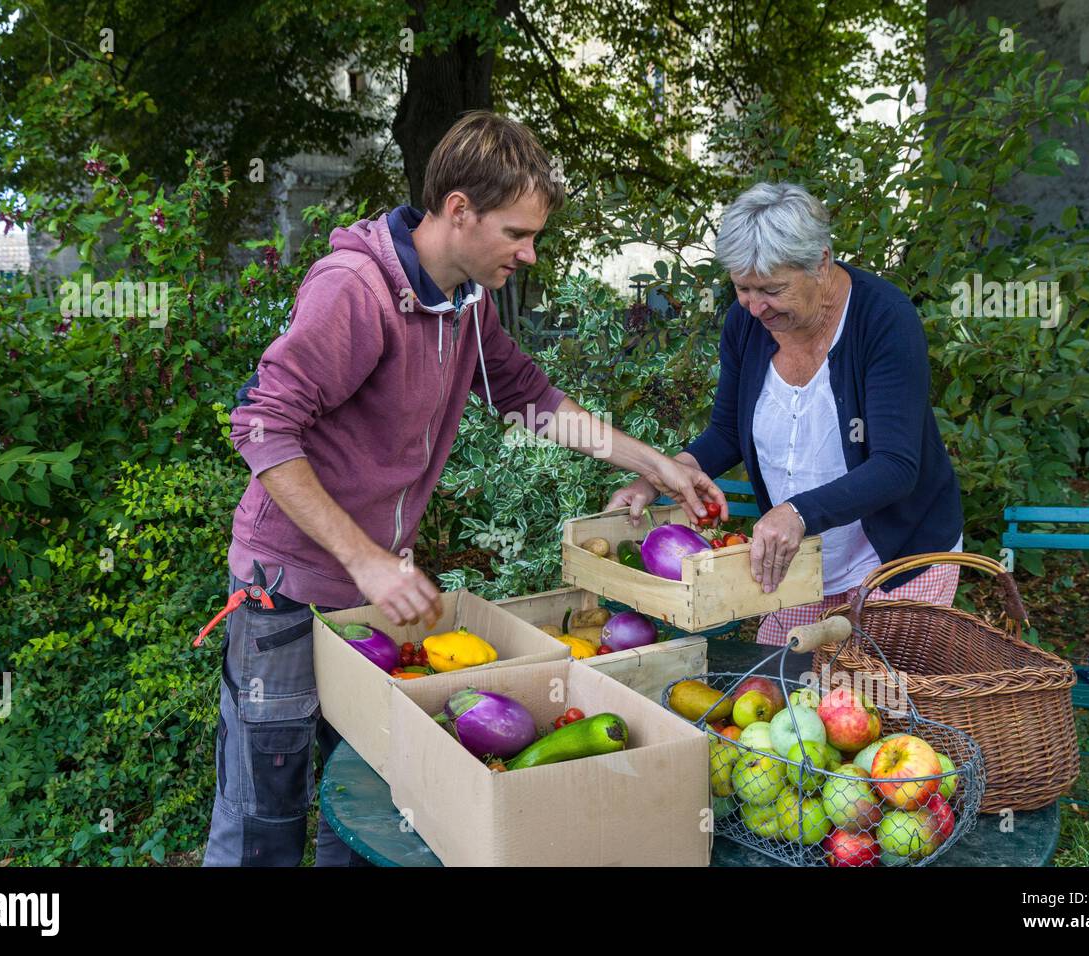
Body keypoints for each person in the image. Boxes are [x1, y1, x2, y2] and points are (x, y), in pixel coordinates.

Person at [203, 111, 726, 866]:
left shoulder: (465, 306)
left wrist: (652, 464)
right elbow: (259, 429)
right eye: (516, 233)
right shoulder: (355, 291)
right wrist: (367, 560)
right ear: (458, 211)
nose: (530, 253)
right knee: (263, 822)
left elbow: (535, 402)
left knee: (368, 799)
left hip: (368, 595)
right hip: (286, 591)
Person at [607, 181, 964, 645]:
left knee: (870, 702)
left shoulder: (884, 320)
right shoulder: (746, 325)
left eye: (772, 289)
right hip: (798, 564)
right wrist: (657, 478)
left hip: (898, 560)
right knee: (785, 698)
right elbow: (727, 433)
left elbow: (896, 466)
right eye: (742, 288)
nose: (755, 307)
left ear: (821, 262)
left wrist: (797, 512)